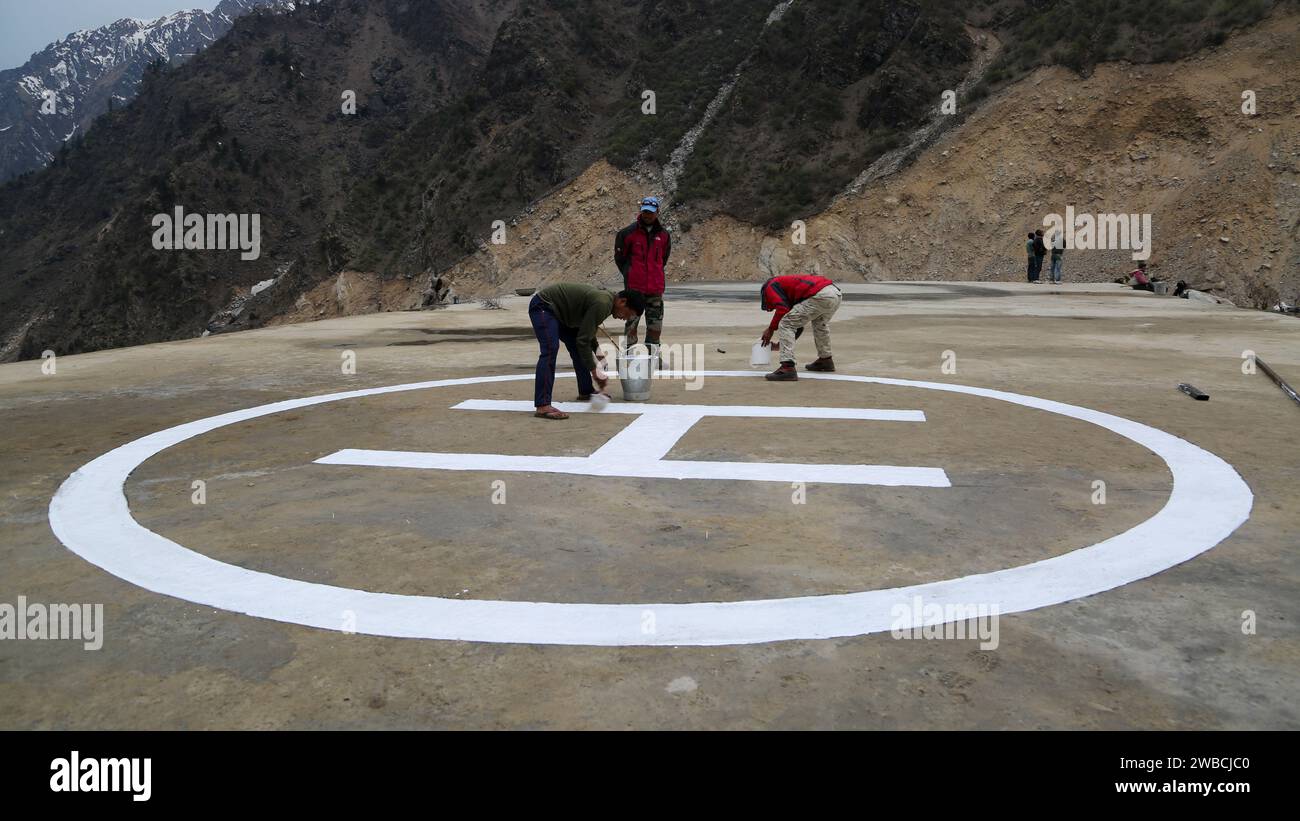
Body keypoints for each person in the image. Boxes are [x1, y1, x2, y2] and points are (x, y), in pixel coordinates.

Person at [529, 283, 644, 420]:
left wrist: (598, 352)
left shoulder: (607, 302)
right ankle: (543, 405)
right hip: (544, 306)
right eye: (627, 314)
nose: (625, 318)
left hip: (562, 314)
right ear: (622, 301)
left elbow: (588, 331)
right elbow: (583, 340)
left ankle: (586, 390)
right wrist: (595, 372)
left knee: (578, 350)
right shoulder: (603, 303)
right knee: (550, 349)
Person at [758, 273, 843, 381]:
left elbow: (782, 310)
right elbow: (798, 326)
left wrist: (770, 329)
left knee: (786, 323)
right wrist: (781, 345)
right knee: (820, 325)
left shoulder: (770, 286)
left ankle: (787, 368)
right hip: (835, 293)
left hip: (820, 295)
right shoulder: (787, 286)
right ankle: (825, 360)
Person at [614, 196, 670, 349]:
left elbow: (663, 259)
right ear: (641, 211)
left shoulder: (664, 235)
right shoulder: (627, 233)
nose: (647, 215)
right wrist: (629, 274)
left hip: (655, 290)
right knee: (631, 325)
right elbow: (620, 259)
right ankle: (629, 357)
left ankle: (653, 357)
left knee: (655, 327)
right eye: (645, 211)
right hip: (634, 290)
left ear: (657, 212)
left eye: (651, 212)